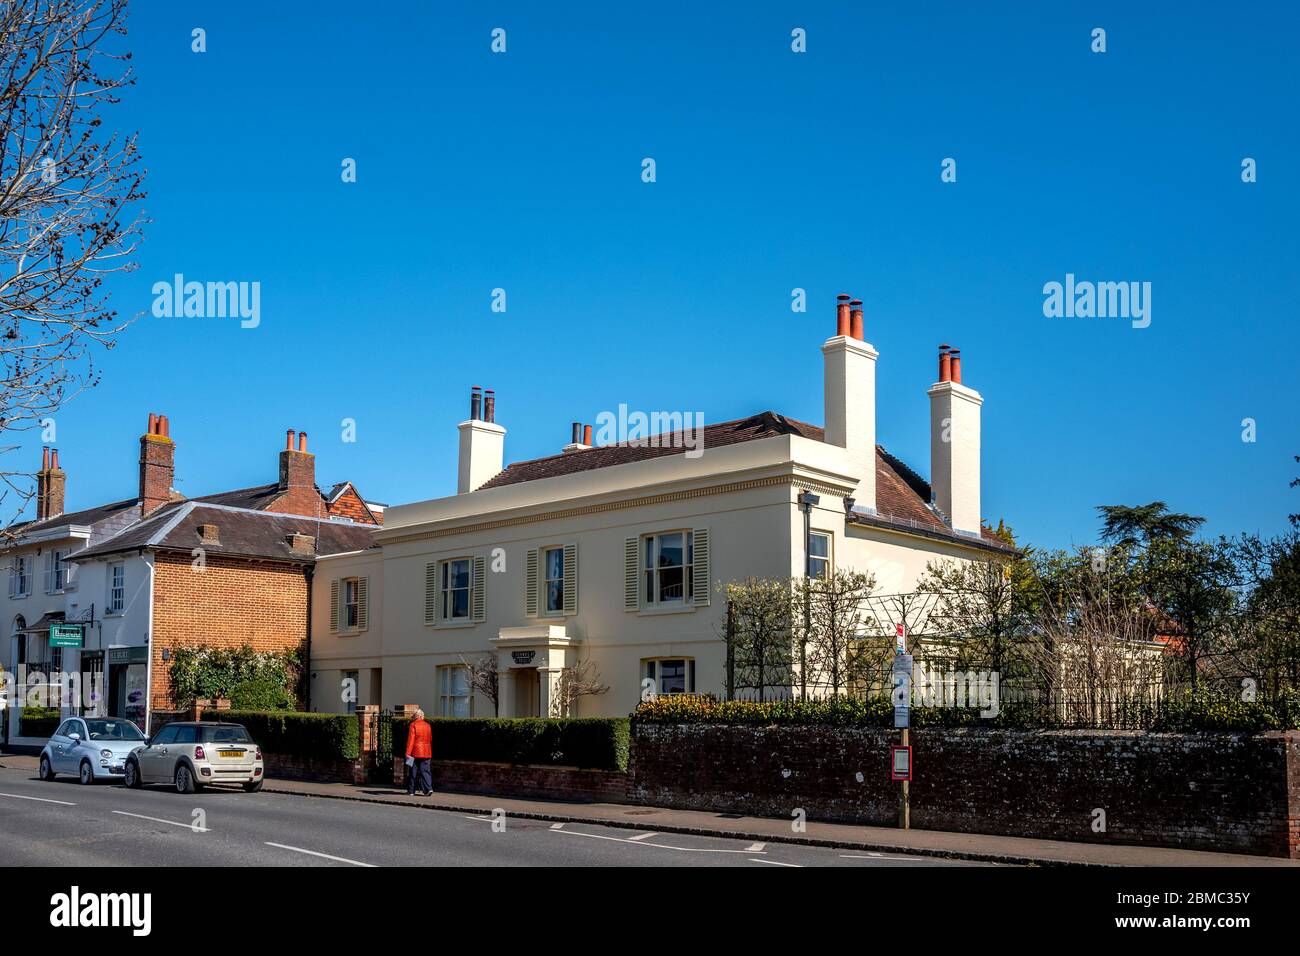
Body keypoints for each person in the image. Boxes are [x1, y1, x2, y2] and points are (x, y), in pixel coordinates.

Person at [405, 708, 433, 796]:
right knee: (425, 771)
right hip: (427, 751)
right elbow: (430, 739)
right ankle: (428, 788)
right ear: (422, 716)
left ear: (415, 716)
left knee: (413, 771)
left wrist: (407, 753)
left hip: (415, 752)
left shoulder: (413, 725)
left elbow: (411, 741)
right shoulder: (428, 725)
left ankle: (411, 790)